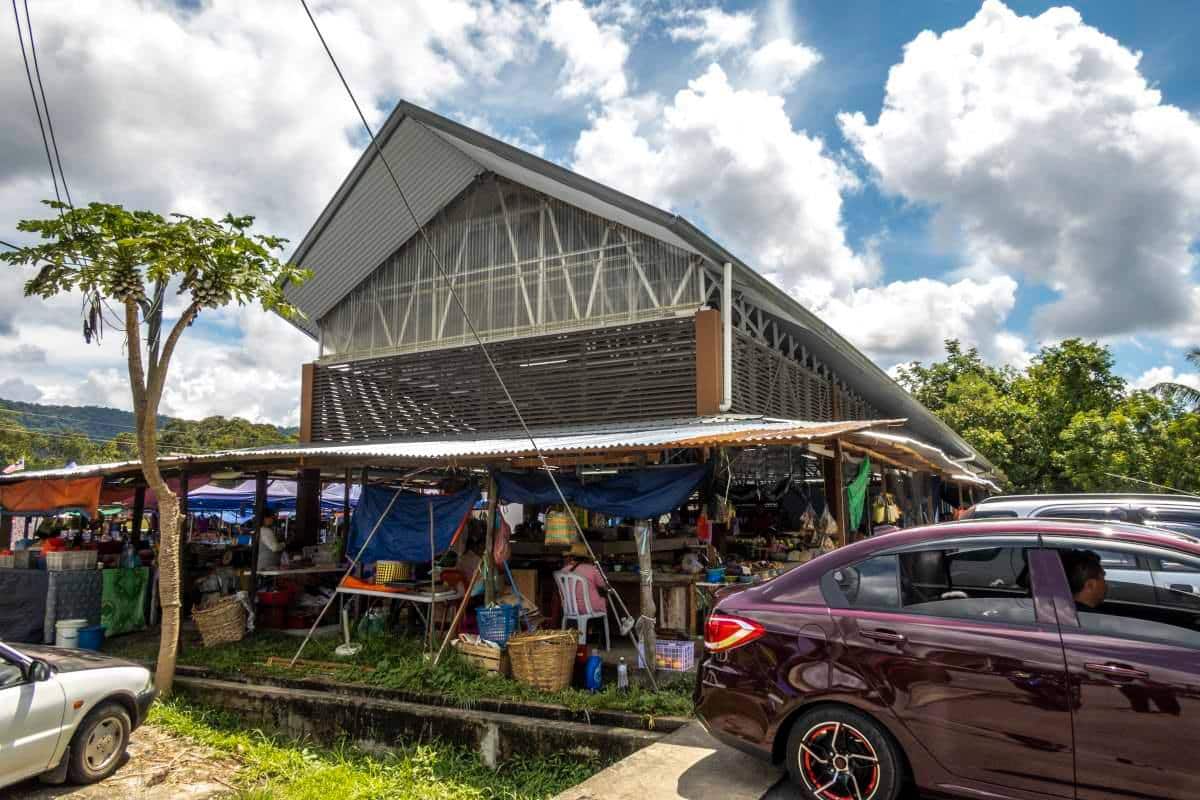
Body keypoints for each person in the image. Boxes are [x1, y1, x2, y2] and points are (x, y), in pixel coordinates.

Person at [562, 541, 607, 614]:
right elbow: (603, 584)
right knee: (604, 600)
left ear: (573, 557)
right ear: (586, 558)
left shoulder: (565, 570)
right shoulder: (592, 569)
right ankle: (598, 624)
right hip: (589, 607)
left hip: (570, 607)